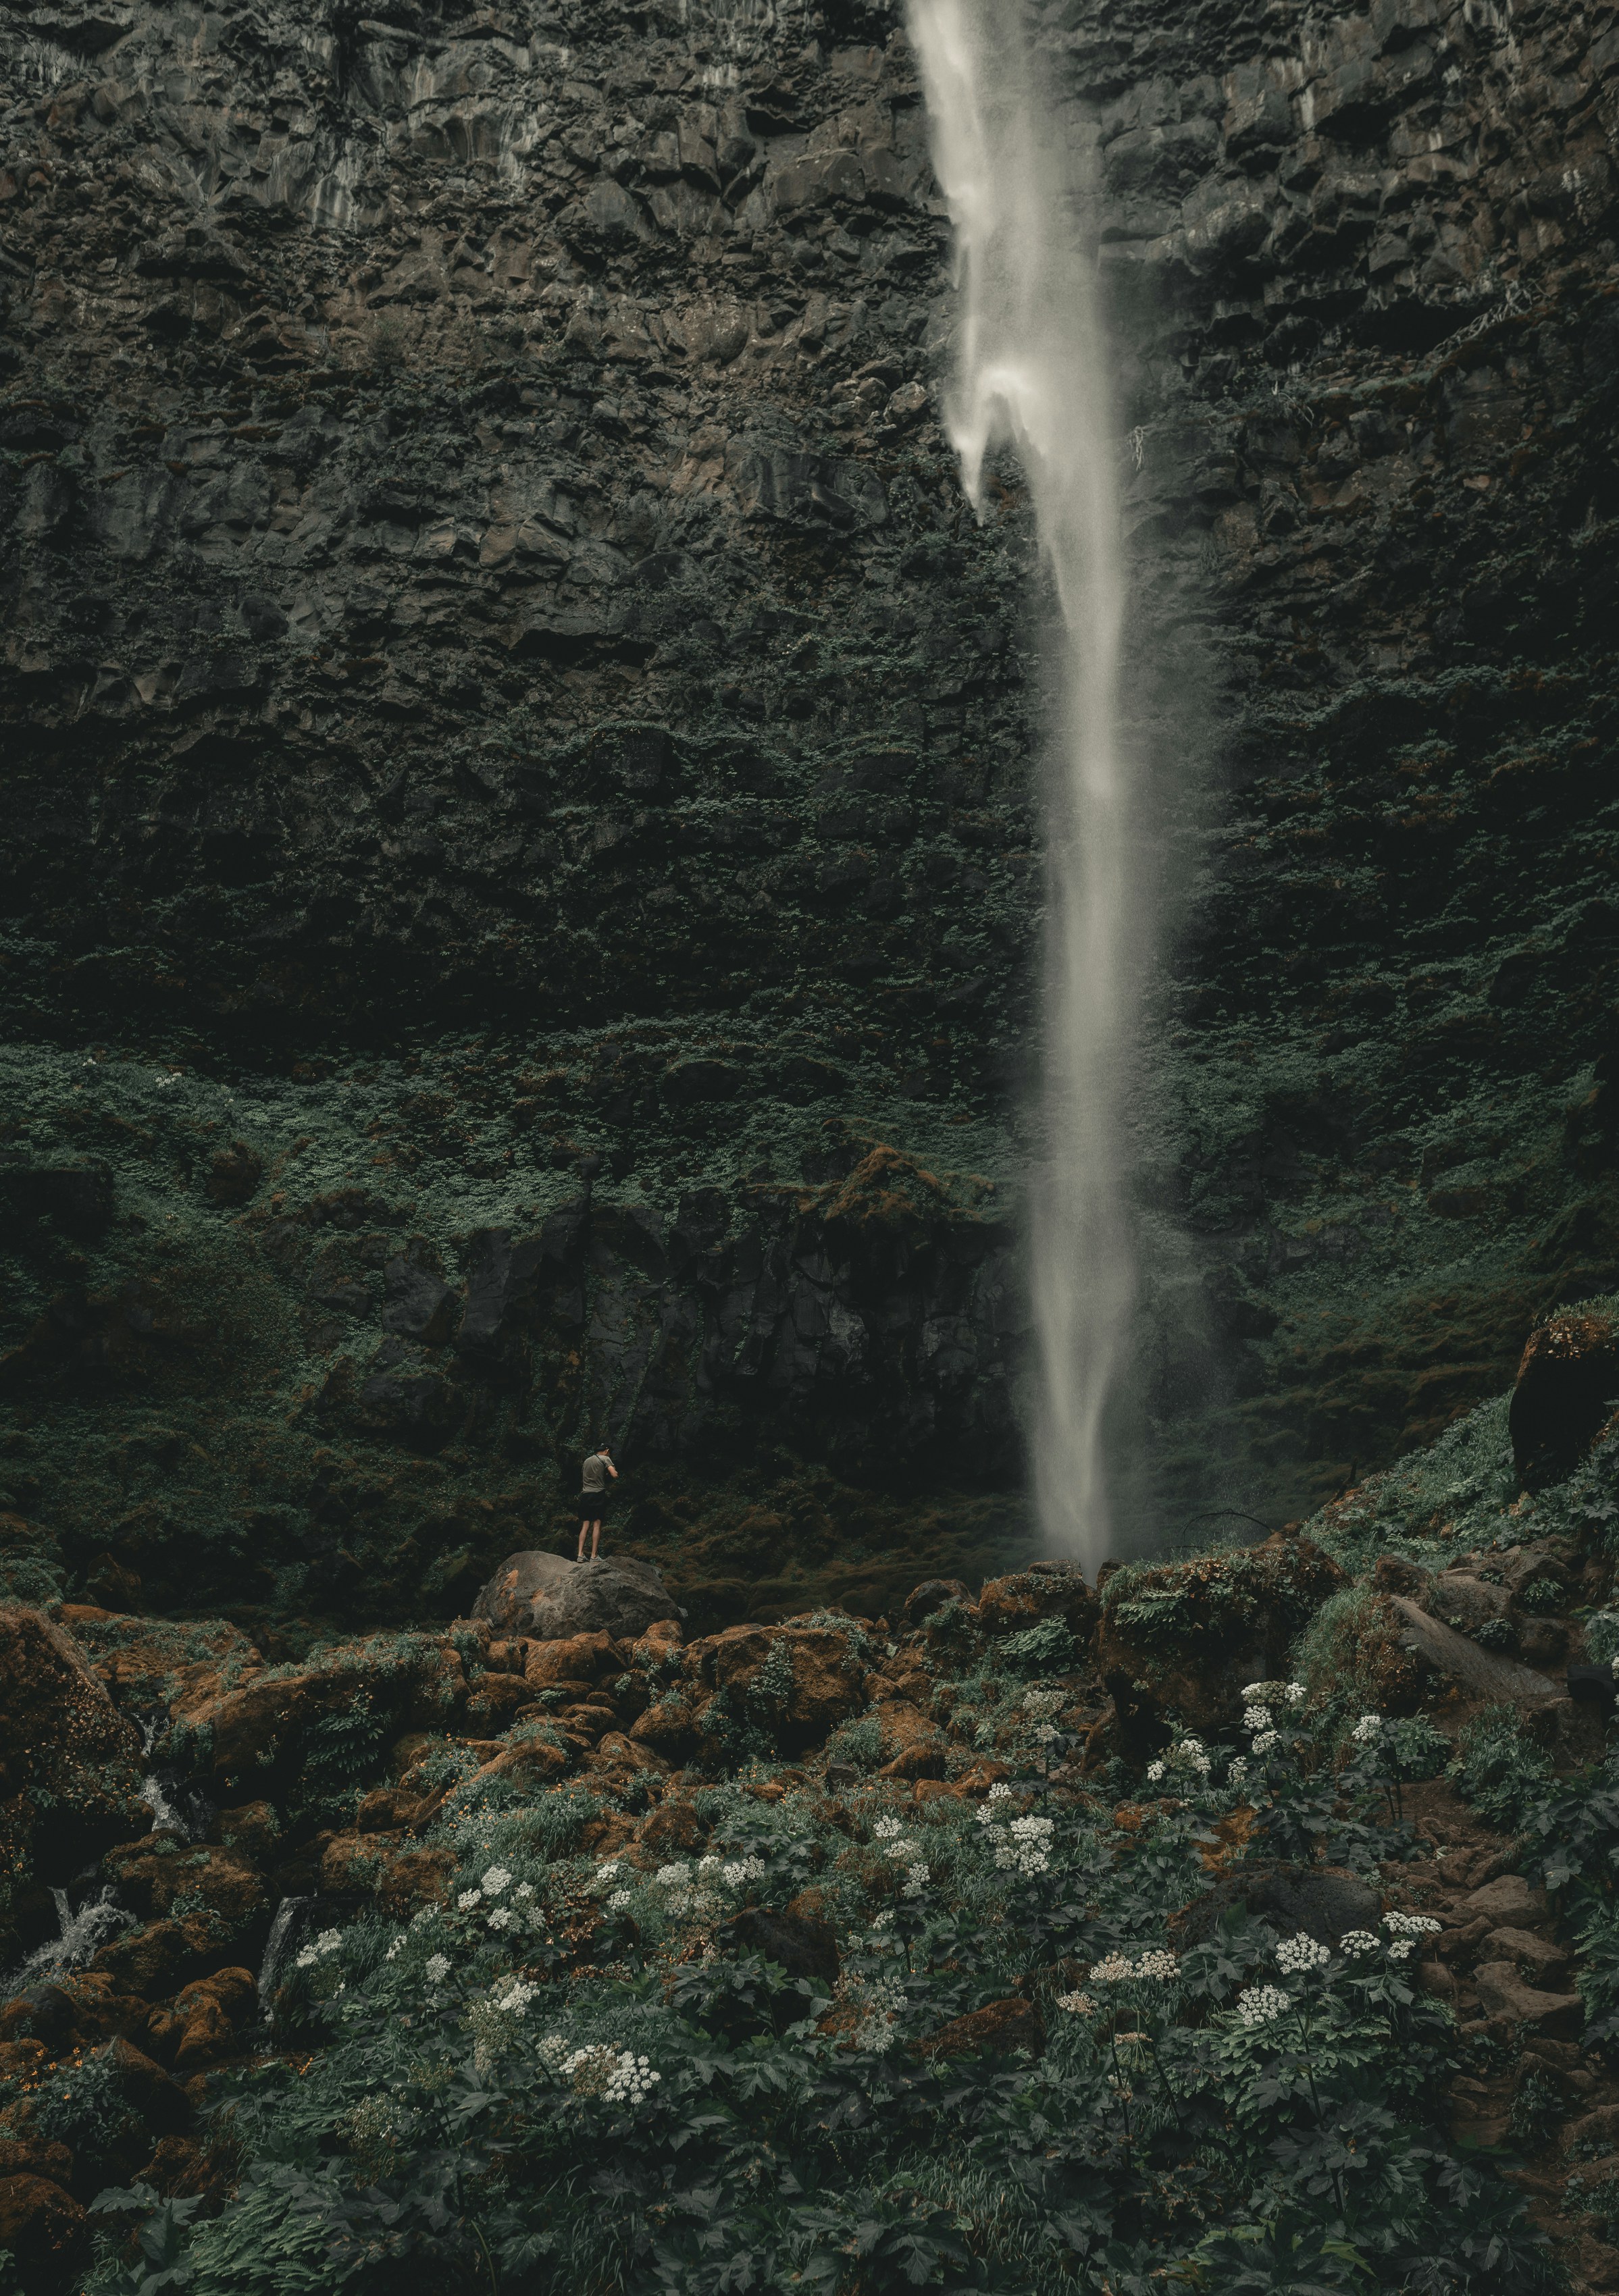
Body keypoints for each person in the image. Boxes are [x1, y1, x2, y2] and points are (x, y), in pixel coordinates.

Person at [577, 1442, 618, 1561]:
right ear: (606, 1451)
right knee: (597, 1524)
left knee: (585, 1524)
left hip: (585, 1495)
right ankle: (594, 1556)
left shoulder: (587, 1461)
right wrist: (614, 1471)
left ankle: (580, 1554)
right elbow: (614, 1475)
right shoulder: (605, 1458)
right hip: (598, 1494)